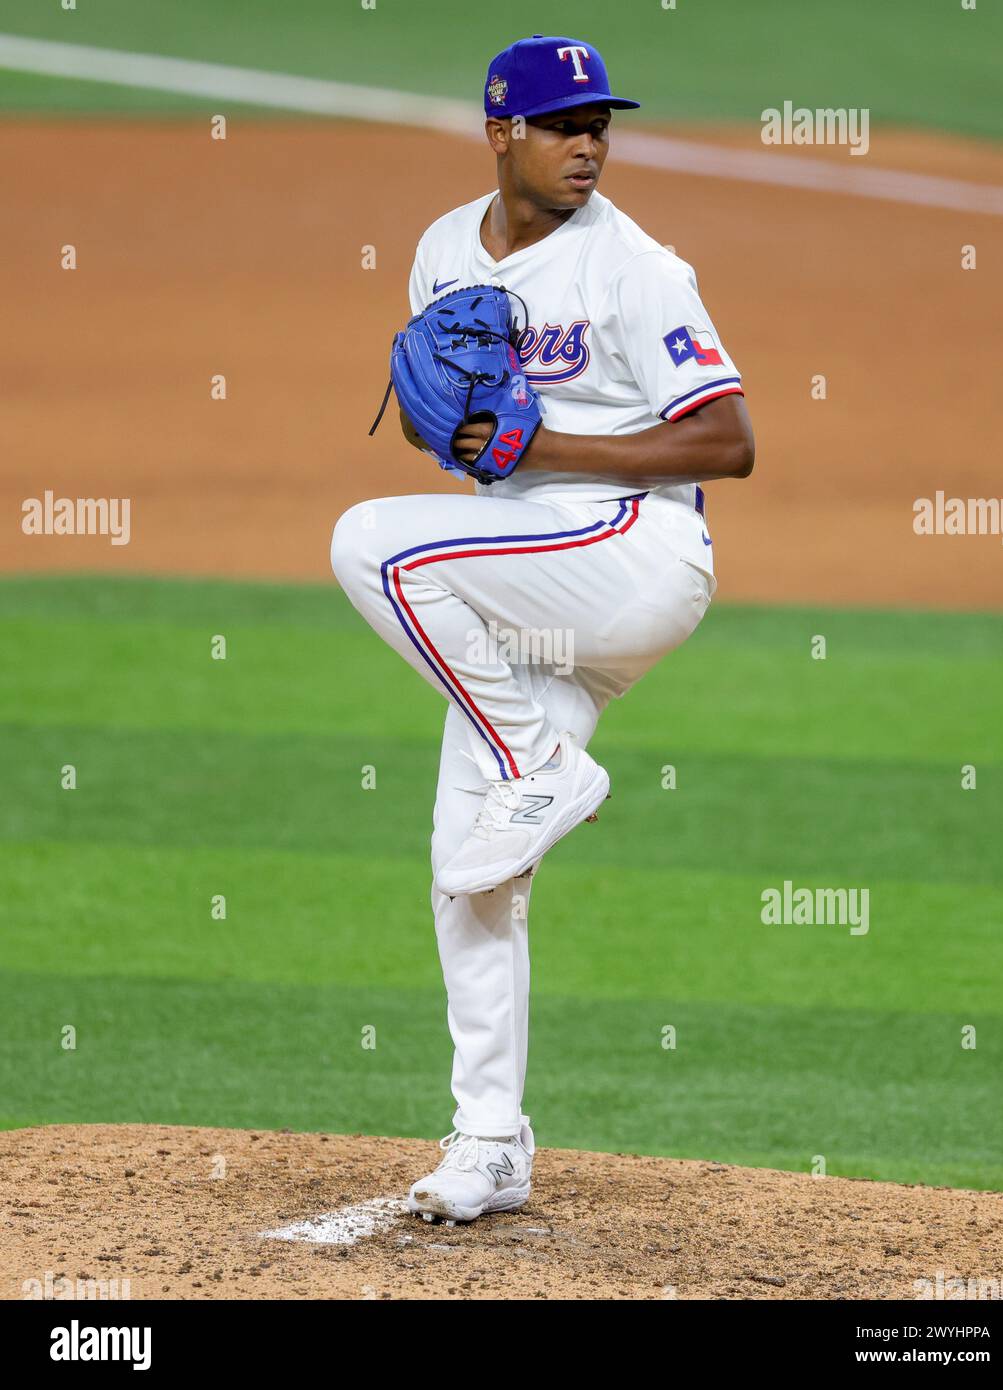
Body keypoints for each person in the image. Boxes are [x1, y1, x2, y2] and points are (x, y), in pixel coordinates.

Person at [331, 33, 754, 1225]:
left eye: (599, 124)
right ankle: (489, 1142)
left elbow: (729, 442)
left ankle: (537, 760)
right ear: (500, 131)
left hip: (632, 553)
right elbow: (452, 419)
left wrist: (548, 447)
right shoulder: (436, 250)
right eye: (564, 124)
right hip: (528, 581)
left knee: (371, 540)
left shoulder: (637, 267)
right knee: (470, 864)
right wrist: (452, 433)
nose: (588, 145)